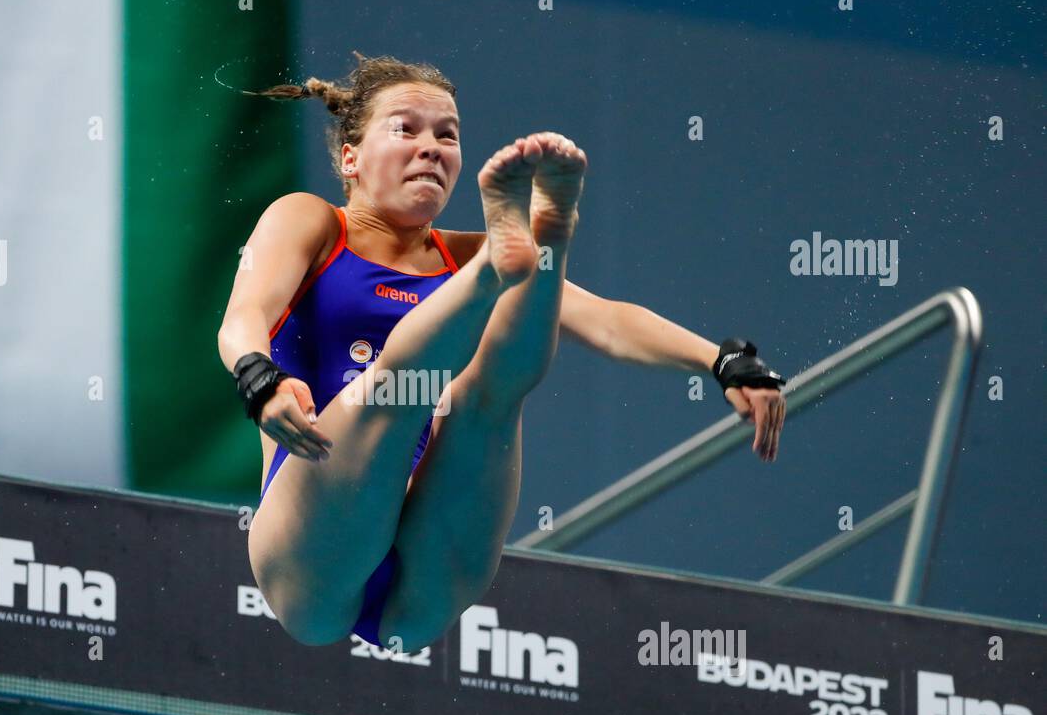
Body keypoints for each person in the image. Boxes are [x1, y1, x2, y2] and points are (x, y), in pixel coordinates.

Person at [217, 52, 786, 653]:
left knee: (487, 396)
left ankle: (550, 240)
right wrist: (260, 378)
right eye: (406, 129)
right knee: (399, 386)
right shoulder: (310, 221)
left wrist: (721, 361)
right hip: (312, 549)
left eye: (448, 135)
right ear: (350, 157)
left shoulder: (460, 253)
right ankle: (519, 261)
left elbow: (609, 322)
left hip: (428, 571)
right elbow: (242, 316)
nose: (431, 147)